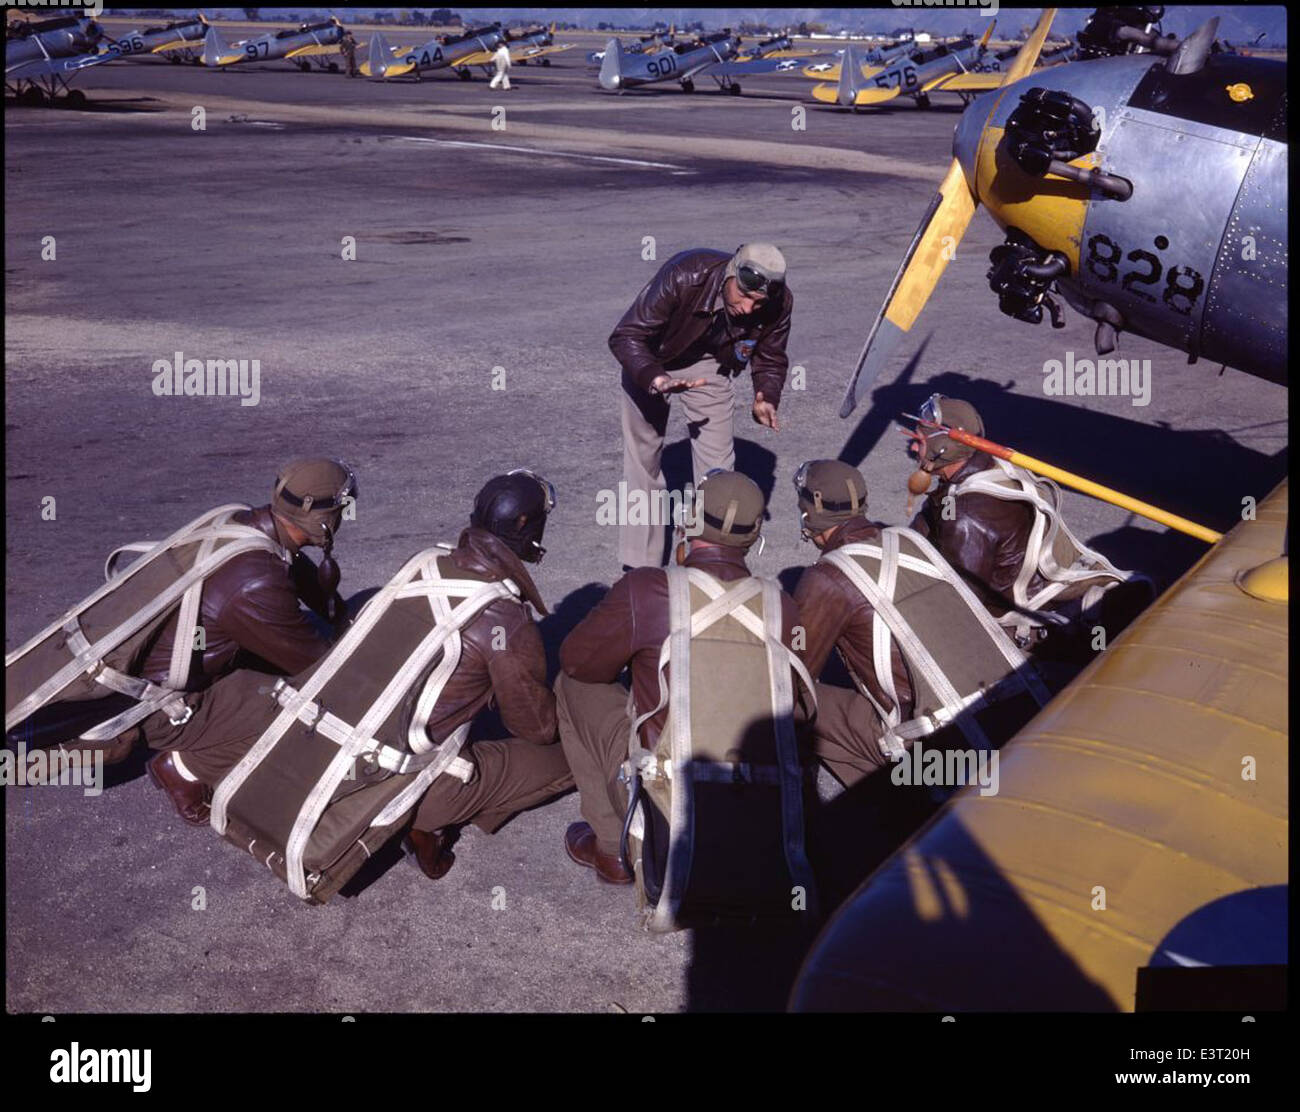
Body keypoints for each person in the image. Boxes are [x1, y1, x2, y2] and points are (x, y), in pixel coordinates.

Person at [139, 472, 573, 878]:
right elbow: (533, 727)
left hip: (333, 732)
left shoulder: (424, 563)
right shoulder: (507, 620)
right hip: (398, 775)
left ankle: (431, 818)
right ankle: (432, 818)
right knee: (573, 755)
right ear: (525, 527)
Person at [6, 458, 358, 824]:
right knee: (303, 706)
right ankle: (185, 767)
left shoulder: (235, 521)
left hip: (147, 659)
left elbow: (294, 571)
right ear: (324, 520)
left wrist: (332, 605)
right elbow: (320, 667)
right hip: (158, 706)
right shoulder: (255, 584)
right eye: (344, 507)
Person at [555, 470, 809, 899]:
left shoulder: (648, 589)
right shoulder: (781, 605)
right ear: (754, 538)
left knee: (570, 684)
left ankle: (614, 847)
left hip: (667, 807)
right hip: (754, 808)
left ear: (689, 521)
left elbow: (579, 662)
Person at [906, 394, 1148, 651]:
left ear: (942, 450)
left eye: (919, 442)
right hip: (1041, 582)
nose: (912, 448)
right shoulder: (991, 467)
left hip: (1026, 616)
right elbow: (936, 516)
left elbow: (963, 604)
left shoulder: (966, 515)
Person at [610, 243, 793, 568]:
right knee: (643, 459)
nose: (749, 308)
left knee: (717, 472)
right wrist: (656, 378)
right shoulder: (686, 274)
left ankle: (706, 562)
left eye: (758, 302)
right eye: (744, 295)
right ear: (731, 273)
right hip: (650, 356)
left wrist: (766, 394)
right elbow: (626, 336)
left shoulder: (779, 302)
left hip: (708, 362)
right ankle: (639, 571)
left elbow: (771, 356)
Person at [790, 460, 914, 787]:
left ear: (809, 513)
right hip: (974, 717)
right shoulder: (905, 541)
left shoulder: (828, 577)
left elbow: (792, 677)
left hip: (921, 741)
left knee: (785, 706)